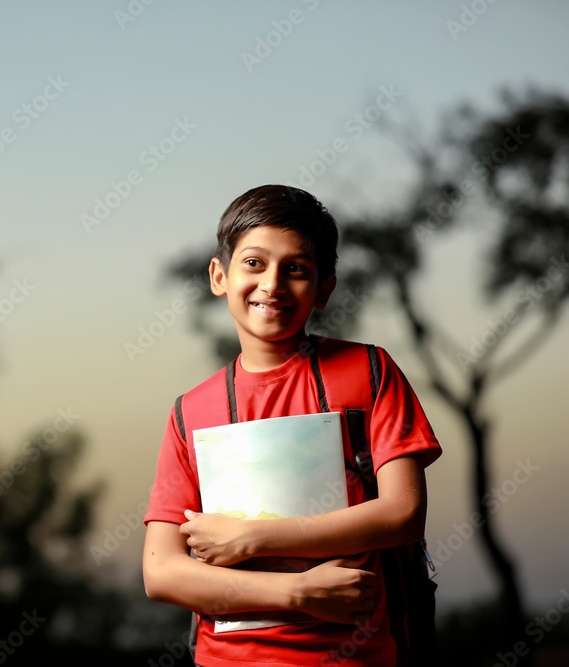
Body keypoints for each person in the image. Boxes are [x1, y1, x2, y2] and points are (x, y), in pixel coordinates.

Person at [142, 185, 442, 666]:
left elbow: (404, 513)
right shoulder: (189, 412)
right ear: (220, 275)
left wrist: (253, 537)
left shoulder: (368, 371)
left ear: (324, 288)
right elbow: (161, 572)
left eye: (296, 269)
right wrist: (298, 592)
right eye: (254, 263)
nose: (272, 285)